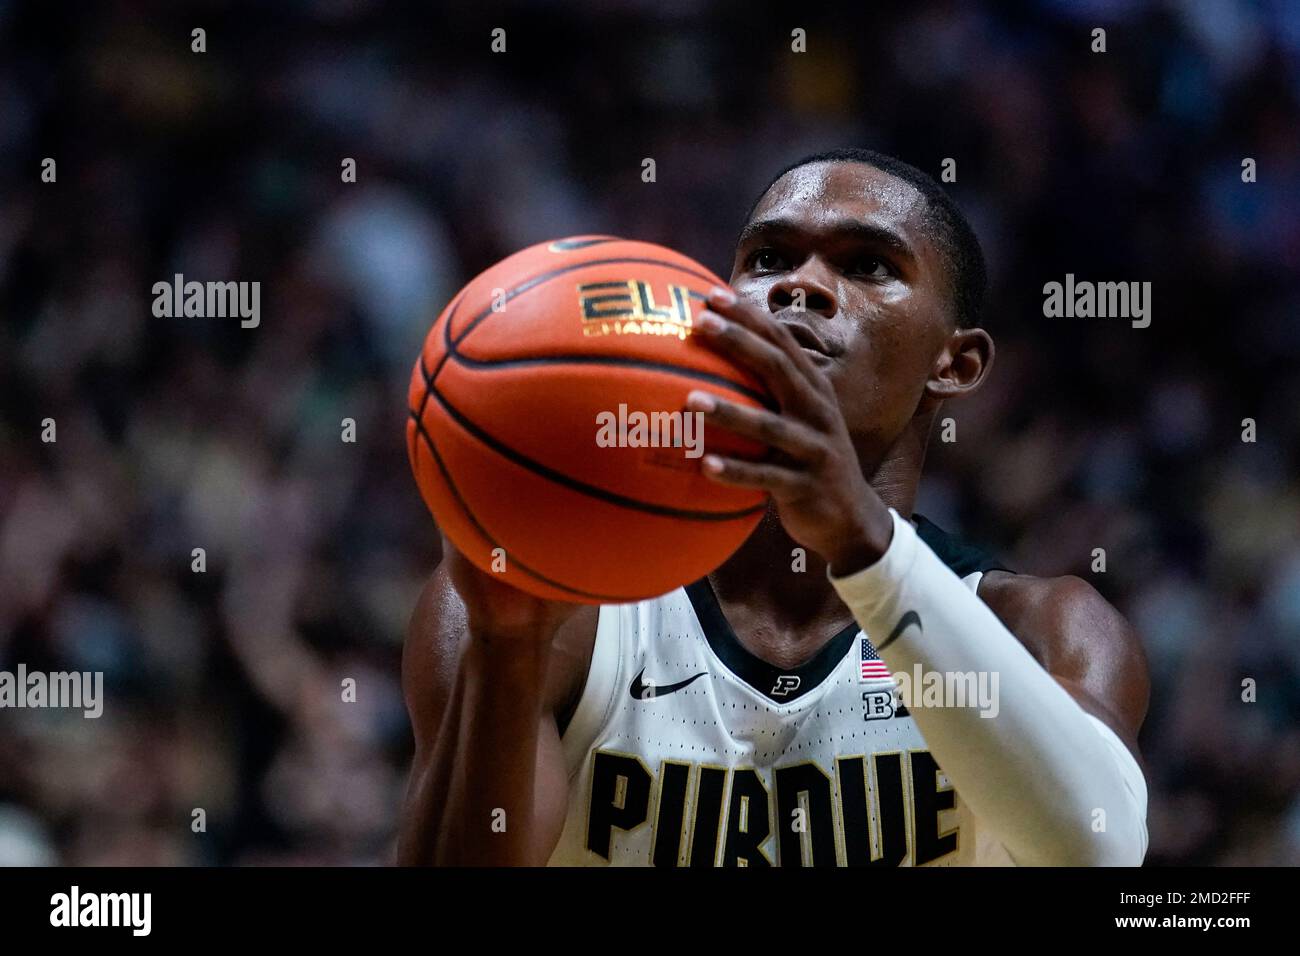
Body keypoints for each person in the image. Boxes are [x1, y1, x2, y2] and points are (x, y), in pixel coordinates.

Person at [396, 148, 1151, 866]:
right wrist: (506, 647)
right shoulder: (563, 608)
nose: (801, 286)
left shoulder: (1041, 628)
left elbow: (1098, 846)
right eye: (768, 259)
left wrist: (867, 546)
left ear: (955, 363)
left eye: (867, 266)